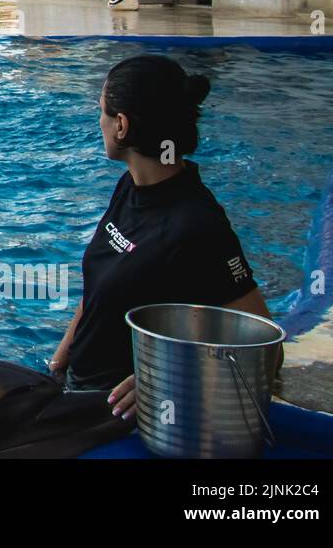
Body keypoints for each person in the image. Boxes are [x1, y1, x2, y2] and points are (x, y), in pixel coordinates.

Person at [49, 55, 275, 420]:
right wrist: (57, 365)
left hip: (123, 415)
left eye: (102, 111)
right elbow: (97, 295)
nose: (99, 121)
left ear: (121, 125)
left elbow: (263, 346)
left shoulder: (196, 225)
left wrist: (167, 379)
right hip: (77, 390)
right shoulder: (130, 187)